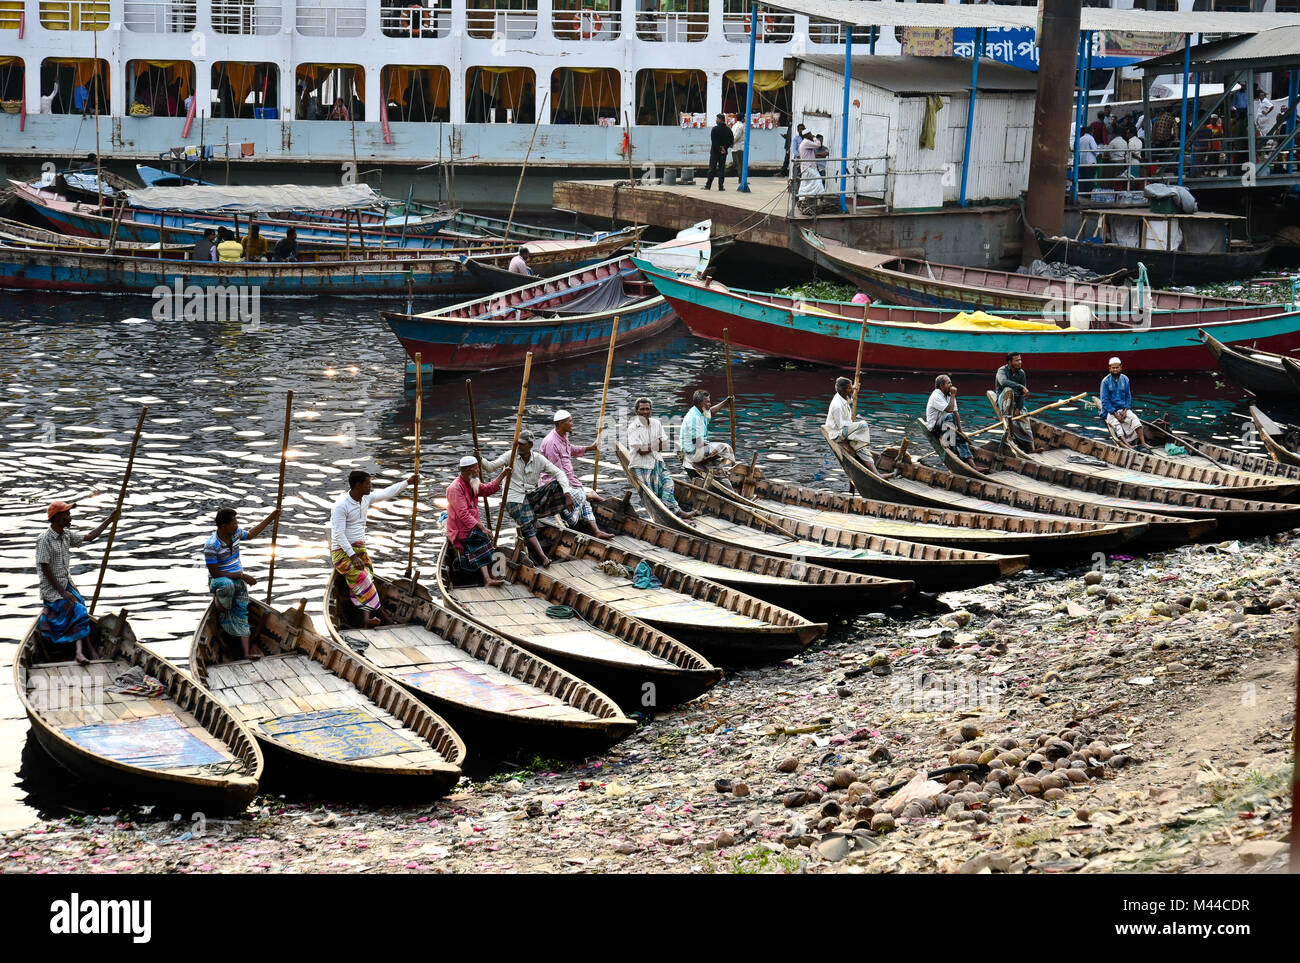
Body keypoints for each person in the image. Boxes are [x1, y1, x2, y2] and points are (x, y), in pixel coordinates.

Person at [329, 469, 416, 627]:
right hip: (342, 553)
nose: (371, 486)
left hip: (360, 550)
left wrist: (407, 482)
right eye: (368, 483)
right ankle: (373, 620)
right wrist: (353, 556)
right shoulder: (341, 506)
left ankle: (368, 618)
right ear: (358, 485)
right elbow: (339, 535)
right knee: (363, 578)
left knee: (367, 577)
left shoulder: (365, 498)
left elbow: (386, 493)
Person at [36, 501, 119, 664]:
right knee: (78, 609)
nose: (69, 517)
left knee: (80, 606)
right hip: (52, 588)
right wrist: (63, 592)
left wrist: (110, 520)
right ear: (57, 517)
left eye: (69, 514)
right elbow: (45, 568)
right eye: (66, 514)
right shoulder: (44, 539)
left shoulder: (66, 535)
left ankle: (86, 646)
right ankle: (80, 653)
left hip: (66, 583)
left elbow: (90, 537)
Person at [483, 430, 575, 566]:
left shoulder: (538, 459)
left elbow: (560, 473)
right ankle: (543, 557)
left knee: (558, 486)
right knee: (527, 524)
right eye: (518, 444)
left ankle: (534, 516)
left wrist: (567, 494)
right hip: (513, 498)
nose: (519, 446)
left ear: (530, 445)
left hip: (530, 496)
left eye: (522, 444)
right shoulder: (511, 455)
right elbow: (490, 467)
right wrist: (479, 459)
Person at [204, 506, 279, 660]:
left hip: (237, 580)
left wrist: (272, 517)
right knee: (228, 585)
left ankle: (246, 653)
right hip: (219, 582)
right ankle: (220, 603)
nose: (237, 526)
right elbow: (215, 573)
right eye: (233, 524)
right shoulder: (211, 545)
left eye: (236, 523)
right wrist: (241, 576)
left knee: (242, 613)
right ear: (223, 526)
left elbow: (251, 534)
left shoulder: (235, 534)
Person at [539, 410, 613, 538]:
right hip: (553, 485)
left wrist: (591, 447)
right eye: (570, 421)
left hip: (568, 480)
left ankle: (596, 532)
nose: (572, 423)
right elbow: (557, 473)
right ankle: (583, 502)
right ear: (561, 423)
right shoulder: (551, 442)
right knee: (580, 495)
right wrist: (568, 493)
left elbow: (571, 449)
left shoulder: (563, 436)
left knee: (584, 501)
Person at [446, 455, 508, 586]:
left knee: (487, 538)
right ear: (468, 470)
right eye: (476, 468)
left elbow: (487, 489)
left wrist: (503, 474)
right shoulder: (455, 488)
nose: (479, 471)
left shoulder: (472, 482)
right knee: (484, 538)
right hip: (461, 529)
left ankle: (491, 576)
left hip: (472, 526)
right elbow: (463, 514)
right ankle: (487, 579)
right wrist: (482, 527)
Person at [627, 397, 694, 518]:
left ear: (651, 410)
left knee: (668, 483)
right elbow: (641, 451)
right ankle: (676, 513)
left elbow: (664, 445)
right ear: (637, 411)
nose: (645, 411)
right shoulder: (633, 428)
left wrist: (650, 446)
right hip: (641, 465)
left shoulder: (656, 423)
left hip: (657, 461)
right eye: (642, 409)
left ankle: (669, 510)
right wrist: (655, 444)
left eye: (647, 409)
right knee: (653, 494)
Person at [1100, 356, 1150, 452]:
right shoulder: (1105, 382)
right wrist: (1116, 415)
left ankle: (1143, 442)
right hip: (1110, 411)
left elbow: (1128, 396)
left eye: (1117, 367)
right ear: (1109, 368)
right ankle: (1128, 445)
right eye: (1113, 368)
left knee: (1135, 419)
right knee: (1117, 425)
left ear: (1121, 367)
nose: (1115, 369)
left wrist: (1125, 410)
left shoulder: (1125, 379)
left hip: (1123, 409)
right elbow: (1104, 401)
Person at [995, 351, 1041, 452]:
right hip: (1004, 400)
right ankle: (1008, 418)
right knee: (1009, 390)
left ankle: (1032, 448)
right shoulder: (1002, 370)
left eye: (1020, 360)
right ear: (1010, 362)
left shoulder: (1021, 373)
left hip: (1016, 402)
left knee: (1025, 418)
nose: (1020, 362)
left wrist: (1018, 408)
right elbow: (1003, 382)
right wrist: (1020, 386)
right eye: (1017, 360)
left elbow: (1021, 394)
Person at [680, 389, 735, 470]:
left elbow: (712, 411)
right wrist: (707, 444)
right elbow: (697, 443)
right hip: (692, 452)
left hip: (692, 448)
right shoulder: (694, 418)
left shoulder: (700, 411)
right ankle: (705, 465)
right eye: (707, 402)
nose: (710, 404)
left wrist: (726, 401)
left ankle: (708, 465)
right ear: (700, 403)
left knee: (716, 449)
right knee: (726, 448)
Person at [925, 374, 973, 460]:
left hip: (946, 426)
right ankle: (944, 439)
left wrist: (961, 432)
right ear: (941, 385)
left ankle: (972, 464)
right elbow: (949, 410)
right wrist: (953, 395)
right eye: (948, 383)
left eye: (951, 382)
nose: (951, 385)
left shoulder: (949, 395)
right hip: (935, 428)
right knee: (949, 416)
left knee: (961, 438)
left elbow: (956, 413)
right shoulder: (936, 396)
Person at [703, 113, 734, 191]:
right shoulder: (728, 129)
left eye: (717, 119)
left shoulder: (715, 129)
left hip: (715, 152)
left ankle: (708, 185)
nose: (716, 120)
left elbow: (714, 141)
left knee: (712, 168)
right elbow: (731, 141)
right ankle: (721, 186)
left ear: (720, 119)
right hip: (724, 153)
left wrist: (719, 148)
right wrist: (724, 147)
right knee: (721, 169)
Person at [1077, 127, 1098, 197]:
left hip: (1082, 162)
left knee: (1082, 180)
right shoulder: (1090, 138)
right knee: (1089, 180)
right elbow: (1095, 150)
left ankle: (1081, 194)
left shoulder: (1081, 139)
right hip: (1090, 162)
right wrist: (1099, 153)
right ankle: (1088, 195)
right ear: (1091, 132)